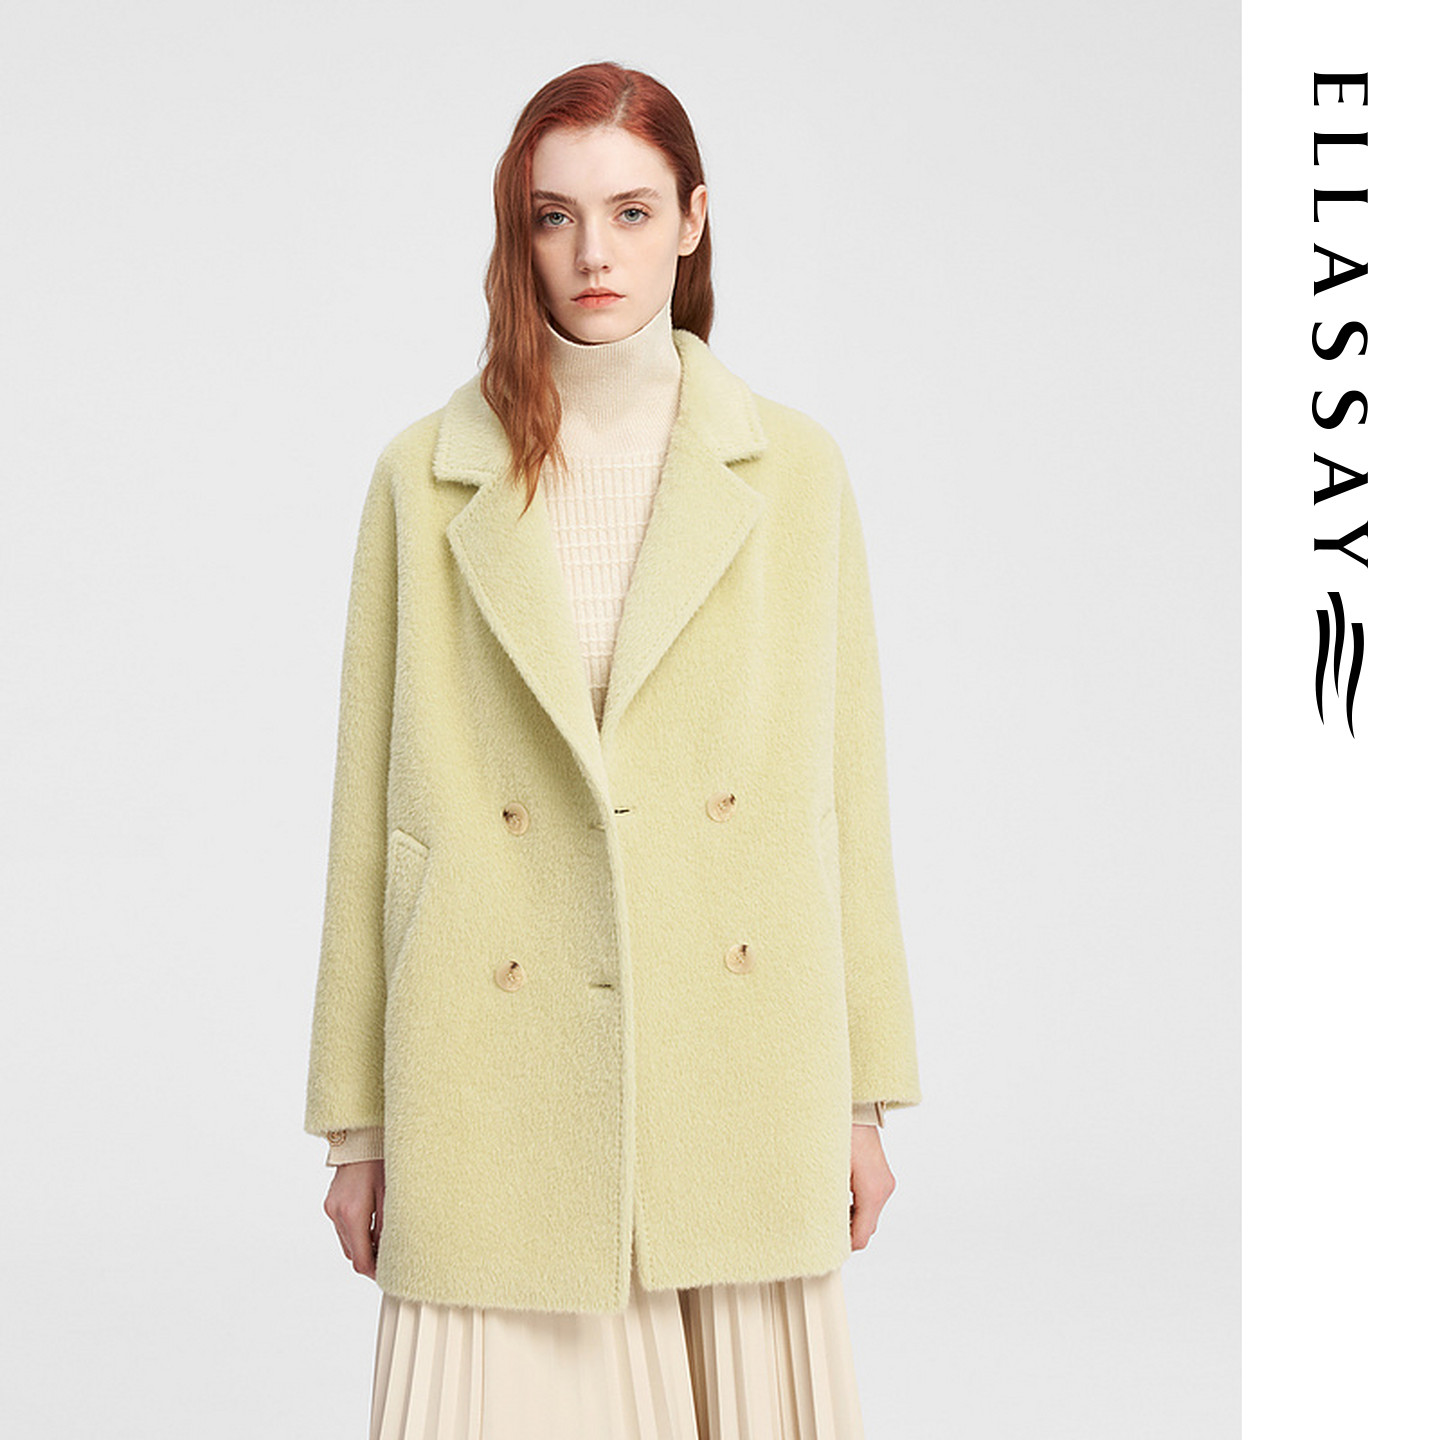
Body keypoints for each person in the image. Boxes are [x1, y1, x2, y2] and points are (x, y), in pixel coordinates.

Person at [305, 60, 922, 1440]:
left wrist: (864, 1099)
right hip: (491, 1057)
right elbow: (367, 824)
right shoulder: (423, 476)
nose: (595, 253)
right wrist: (358, 1127)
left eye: (633, 212)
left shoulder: (794, 470)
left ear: (694, 221)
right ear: (517, 231)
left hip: (738, 1050)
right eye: (556, 216)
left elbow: (846, 802)